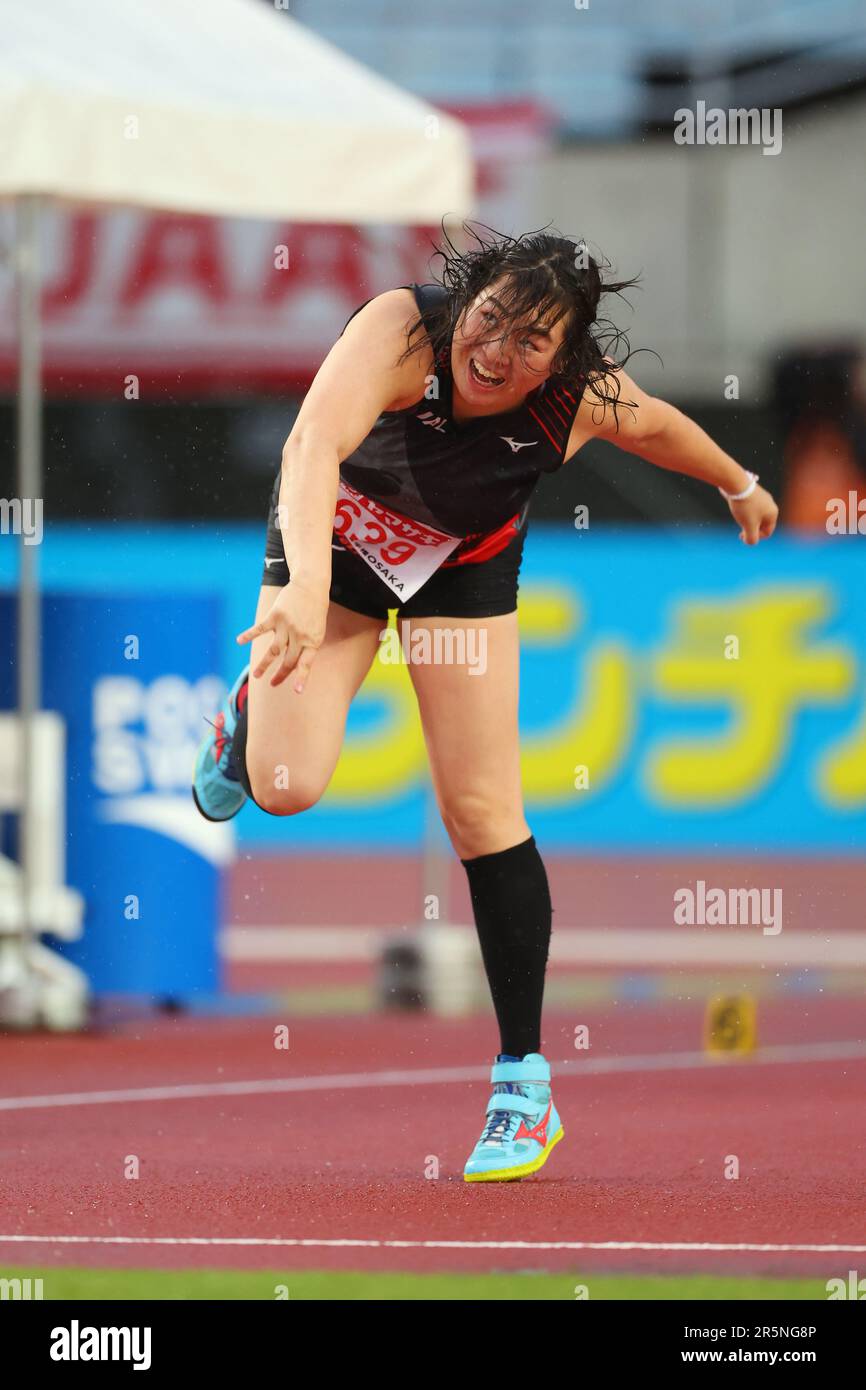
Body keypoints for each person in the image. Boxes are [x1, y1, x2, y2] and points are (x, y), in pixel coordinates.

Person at [192, 226, 779, 1183]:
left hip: (459, 574)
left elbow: (663, 427)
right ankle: (248, 720)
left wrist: (740, 482)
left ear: (568, 357)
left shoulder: (576, 400)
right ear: (467, 300)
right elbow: (309, 445)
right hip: (330, 548)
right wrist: (300, 589)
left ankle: (523, 1083)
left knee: (481, 813)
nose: (498, 352)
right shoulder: (402, 331)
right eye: (492, 318)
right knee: (288, 785)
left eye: (532, 342)